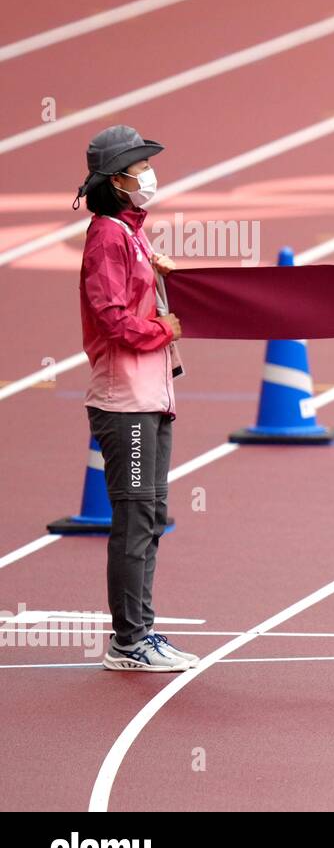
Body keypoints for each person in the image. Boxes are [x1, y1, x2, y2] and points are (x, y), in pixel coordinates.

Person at [74, 125, 199, 672]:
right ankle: (128, 639)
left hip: (151, 395)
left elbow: (133, 296)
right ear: (116, 180)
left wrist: (160, 272)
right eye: (138, 166)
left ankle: (139, 629)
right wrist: (163, 330)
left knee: (151, 514)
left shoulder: (131, 233)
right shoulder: (107, 235)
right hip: (125, 400)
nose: (147, 174)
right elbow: (111, 316)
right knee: (134, 516)